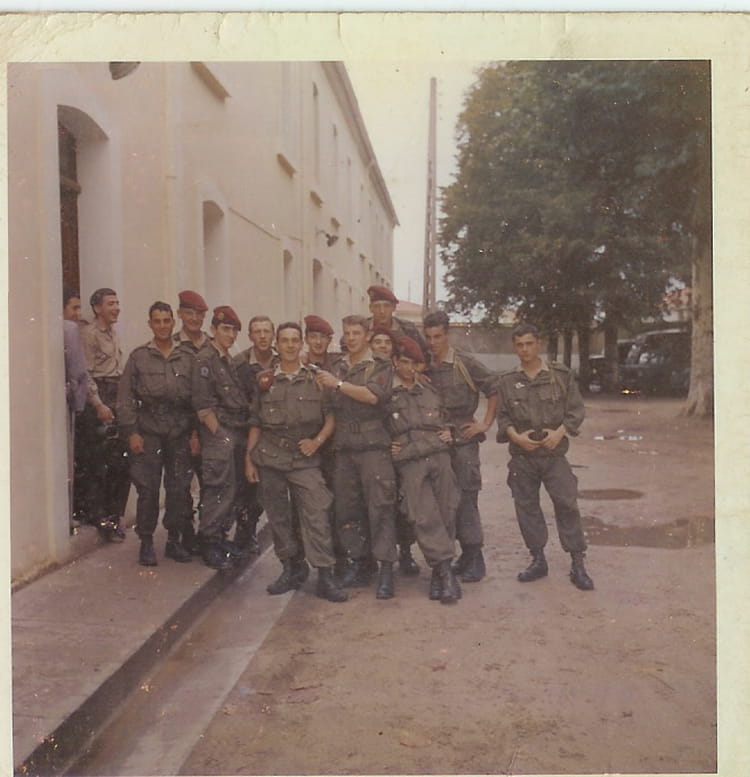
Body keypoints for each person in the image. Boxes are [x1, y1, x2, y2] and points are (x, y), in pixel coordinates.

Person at [245, 322, 347, 603]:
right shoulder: (265, 381)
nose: (290, 345)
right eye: (284, 340)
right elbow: (255, 422)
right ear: (277, 345)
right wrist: (249, 460)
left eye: (294, 340)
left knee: (317, 514)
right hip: (271, 457)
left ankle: (325, 575)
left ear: (301, 344)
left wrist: (317, 441)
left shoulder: (316, 379)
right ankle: (292, 569)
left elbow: (330, 417)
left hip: (304, 460)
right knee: (278, 518)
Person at [495, 323, 594, 591]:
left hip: (553, 454)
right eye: (519, 345)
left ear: (537, 344)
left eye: (529, 343)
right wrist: (516, 437)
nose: (525, 350)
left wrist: (559, 433)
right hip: (522, 456)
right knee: (526, 507)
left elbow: (575, 411)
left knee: (567, 503)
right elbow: (502, 417)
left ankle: (577, 562)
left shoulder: (559, 376)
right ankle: (538, 559)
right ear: (514, 347)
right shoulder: (506, 381)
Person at [314, 314, 398, 599]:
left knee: (380, 507)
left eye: (356, 333)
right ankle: (360, 563)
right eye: (347, 333)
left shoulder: (380, 364)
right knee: (349, 510)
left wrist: (337, 384)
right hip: (345, 447)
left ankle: (386, 568)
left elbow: (373, 396)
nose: (351, 338)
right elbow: (330, 408)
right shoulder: (336, 366)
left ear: (367, 336)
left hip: (373, 446)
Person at [117, 302, 196, 566]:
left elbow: (197, 398)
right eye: (157, 321)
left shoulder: (187, 357)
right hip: (148, 431)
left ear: (173, 323)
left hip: (179, 431)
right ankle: (147, 542)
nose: (162, 325)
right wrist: (132, 432)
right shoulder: (139, 356)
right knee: (148, 489)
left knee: (178, 488)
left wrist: (194, 433)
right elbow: (125, 398)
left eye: (166, 320)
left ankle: (174, 539)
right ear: (150, 324)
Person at [385, 336, 462, 604]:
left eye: (413, 364)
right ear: (395, 362)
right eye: (403, 362)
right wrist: (408, 449)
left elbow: (446, 423)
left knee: (447, 510)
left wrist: (449, 434)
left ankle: (440, 576)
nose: (408, 368)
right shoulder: (387, 395)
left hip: (439, 459)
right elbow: (384, 432)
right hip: (412, 464)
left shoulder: (430, 391)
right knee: (423, 515)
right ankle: (445, 573)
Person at [423, 310, 498, 583]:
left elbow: (494, 387)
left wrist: (485, 423)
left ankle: (474, 557)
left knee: (466, 497)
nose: (433, 342)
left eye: (438, 336)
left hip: (463, 439)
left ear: (448, 335)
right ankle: (454, 557)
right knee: (441, 500)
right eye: (429, 337)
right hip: (435, 441)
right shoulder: (425, 366)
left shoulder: (465, 364)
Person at [192, 305, 249, 571]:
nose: (230, 334)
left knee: (229, 488)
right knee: (217, 488)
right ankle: (208, 542)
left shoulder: (226, 359)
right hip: (219, 434)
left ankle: (219, 538)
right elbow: (203, 406)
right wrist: (222, 437)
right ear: (213, 329)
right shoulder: (205, 359)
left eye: (234, 330)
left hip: (232, 432)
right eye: (225, 329)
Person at [368, 327, 421, 576]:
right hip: (377, 449)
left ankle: (407, 553)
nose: (381, 346)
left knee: (405, 504)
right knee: (380, 507)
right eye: (377, 342)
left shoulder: (406, 377)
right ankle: (379, 561)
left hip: (403, 451)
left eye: (386, 343)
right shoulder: (366, 373)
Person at [79, 287, 130, 541]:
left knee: (121, 462)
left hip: (117, 396)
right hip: (101, 399)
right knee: (100, 463)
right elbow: (86, 374)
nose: (116, 308)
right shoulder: (90, 335)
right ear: (97, 308)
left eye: (117, 303)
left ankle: (115, 517)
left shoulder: (114, 333)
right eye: (111, 303)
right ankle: (101, 519)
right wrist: (98, 404)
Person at [231, 315, 279, 553]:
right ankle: (245, 532)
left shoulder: (282, 363)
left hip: (275, 435)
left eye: (266, 332)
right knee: (246, 486)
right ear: (249, 336)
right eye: (257, 332)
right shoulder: (239, 365)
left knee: (267, 490)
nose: (262, 336)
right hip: (247, 432)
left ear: (273, 335)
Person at [173, 290, 210, 554]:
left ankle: (207, 534)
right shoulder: (172, 345)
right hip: (181, 427)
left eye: (199, 314)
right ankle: (184, 534)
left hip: (210, 427)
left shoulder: (212, 345)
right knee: (181, 483)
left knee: (210, 482)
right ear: (180, 315)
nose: (194, 318)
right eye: (189, 313)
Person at [62, 288, 89, 532]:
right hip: (67, 403)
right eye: (74, 308)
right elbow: (79, 372)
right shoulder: (70, 330)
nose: (78, 314)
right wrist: (79, 405)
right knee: (68, 461)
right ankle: (67, 517)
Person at [365, 285, 428, 359]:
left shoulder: (408, 329)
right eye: (377, 306)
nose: (382, 311)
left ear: (394, 307)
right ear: (370, 308)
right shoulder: (363, 328)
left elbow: (425, 353)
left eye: (386, 306)